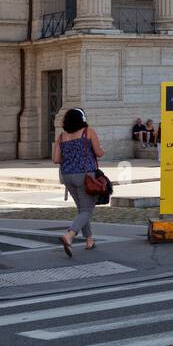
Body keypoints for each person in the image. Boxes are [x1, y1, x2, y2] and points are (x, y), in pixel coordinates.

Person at [53, 107, 104, 256]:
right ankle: (69, 235)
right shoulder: (88, 132)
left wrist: (70, 159)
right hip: (85, 176)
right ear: (83, 119)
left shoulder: (61, 136)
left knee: (82, 209)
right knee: (87, 210)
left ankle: (89, 240)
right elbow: (99, 153)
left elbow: (56, 159)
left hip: (68, 176)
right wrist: (101, 149)